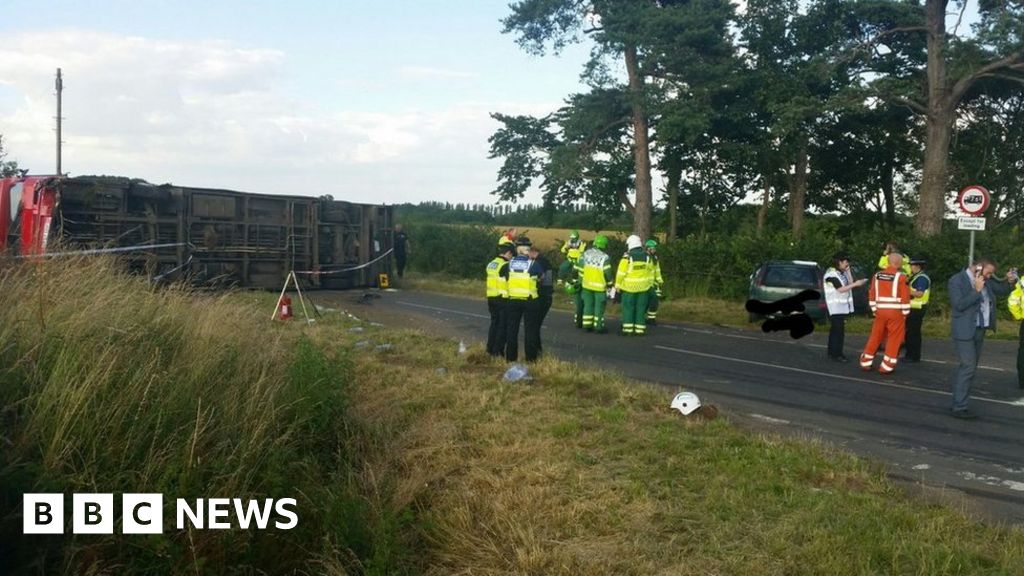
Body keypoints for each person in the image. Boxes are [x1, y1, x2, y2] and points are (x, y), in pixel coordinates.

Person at [948, 258, 1018, 418]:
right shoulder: (957, 281)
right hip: (964, 330)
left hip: (980, 329)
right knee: (968, 366)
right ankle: (959, 406)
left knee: (970, 369)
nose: (990, 276)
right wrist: (976, 291)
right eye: (988, 272)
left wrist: (1009, 282)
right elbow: (959, 305)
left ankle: (960, 401)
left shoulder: (985, 280)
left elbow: (1001, 290)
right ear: (978, 267)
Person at [859, 253, 910, 374]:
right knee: (894, 339)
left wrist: (874, 310)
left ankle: (865, 361)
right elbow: (905, 297)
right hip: (895, 313)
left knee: (875, 336)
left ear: (888, 261)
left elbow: (872, 294)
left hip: (880, 311)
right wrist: (905, 313)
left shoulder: (877, 275)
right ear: (899, 263)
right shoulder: (901, 277)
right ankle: (887, 366)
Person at [503, 236, 543, 362]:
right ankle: (531, 359)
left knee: (511, 330)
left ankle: (510, 358)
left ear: (517, 249)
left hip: (513, 300)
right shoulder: (533, 264)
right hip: (530, 301)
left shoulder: (509, 264)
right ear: (528, 250)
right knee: (530, 330)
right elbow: (542, 278)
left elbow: (505, 277)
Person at [823, 252, 867, 362]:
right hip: (835, 307)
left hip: (840, 307)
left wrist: (848, 272)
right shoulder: (831, 274)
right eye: (846, 261)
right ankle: (837, 354)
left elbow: (849, 283)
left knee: (835, 330)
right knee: (838, 332)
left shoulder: (840, 273)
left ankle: (832, 352)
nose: (847, 263)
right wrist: (856, 284)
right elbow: (840, 289)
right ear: (840, 262)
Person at [615, 235, 654, 336]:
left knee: (628, 308)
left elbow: (620, 273)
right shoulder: (647, 257)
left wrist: (617, 286)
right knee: (641, 309)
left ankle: (628, 330)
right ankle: (639, 330)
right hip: (643, 289)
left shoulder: (627, 257)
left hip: (629, 289)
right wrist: (650, 285)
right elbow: (651, 272)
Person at [577, 235, 614, 333]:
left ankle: (587, 325)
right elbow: (608, 273)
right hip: (599, 287)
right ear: (604, 245)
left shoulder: (585, 254)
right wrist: (610, 284)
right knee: (599, 307)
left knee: (588, 305)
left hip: (586, 285)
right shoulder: (604, 257)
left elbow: (581, 269)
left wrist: (580, 281)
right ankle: (598, 327)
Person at [486, 243, 514, 357]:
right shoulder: (505, 265)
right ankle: (498, 351)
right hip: (502, 298)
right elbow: (510, 281)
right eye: (512, 255)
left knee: (494, 324)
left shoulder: (492, 263)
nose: (512, 258)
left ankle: (490, 348)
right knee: (503, 326)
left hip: (491, 297)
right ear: (508, 253)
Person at [903, 257, 931, 363]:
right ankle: (909, 354)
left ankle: (914, 356)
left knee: (913, 333)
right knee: (909, 332)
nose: (910, 267)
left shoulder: (922, 278)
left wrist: (905, 291)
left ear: (917, 266)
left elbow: (919, 293)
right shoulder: (915, 276)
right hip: (912, 308)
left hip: (917, 308)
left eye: (912, 266)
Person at [528, 245, 555, 351]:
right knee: (536, 326)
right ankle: (537, 350)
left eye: (528, 253)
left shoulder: (539, 263)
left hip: (542, 296)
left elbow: (540, 279)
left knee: (534, 326)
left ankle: (536, 351)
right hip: (546, 296)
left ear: (533, 252)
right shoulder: (544, 261)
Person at [560, 230, 587, 329]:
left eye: (574, 238)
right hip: (570, 260)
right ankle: (561, 280)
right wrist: (567, 246)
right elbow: (562, 250)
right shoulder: (568, 242)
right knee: (563, 268)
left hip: (577, 263)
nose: (573, 240)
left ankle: (579, 320)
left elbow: (582, 252)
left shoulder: (581, 243)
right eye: (572, 238)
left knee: (580, 300)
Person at [1007, 270, 1024, 390]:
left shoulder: (1022, 280)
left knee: (1023, 352)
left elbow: (1013, 300)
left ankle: (1023, 381)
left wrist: (1018, 315)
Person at [644, 239, 664, 325]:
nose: (654, 250)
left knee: (654, 301)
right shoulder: (644, 257)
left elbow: (657, 270)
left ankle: (651, 318)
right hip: (644, 284)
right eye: (653, 248)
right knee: (644, 302)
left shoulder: (655, 258)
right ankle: (639, 317)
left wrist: (660, 280)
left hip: (653, 284)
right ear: (648, 248)